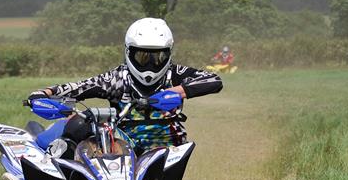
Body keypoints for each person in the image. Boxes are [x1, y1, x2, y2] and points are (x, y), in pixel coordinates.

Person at [27, 17, 222, 154]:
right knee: (78, 125)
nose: (150, 65)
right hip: (125, 146)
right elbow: (80, 87)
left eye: (157, 57)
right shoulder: (117, 79)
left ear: (168, 54)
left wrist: (180, 91)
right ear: (129, 53)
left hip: (171, 147)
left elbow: (214, 80)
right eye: (142, 57)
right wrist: (45, 93)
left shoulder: (175, 74)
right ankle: (48, 166)